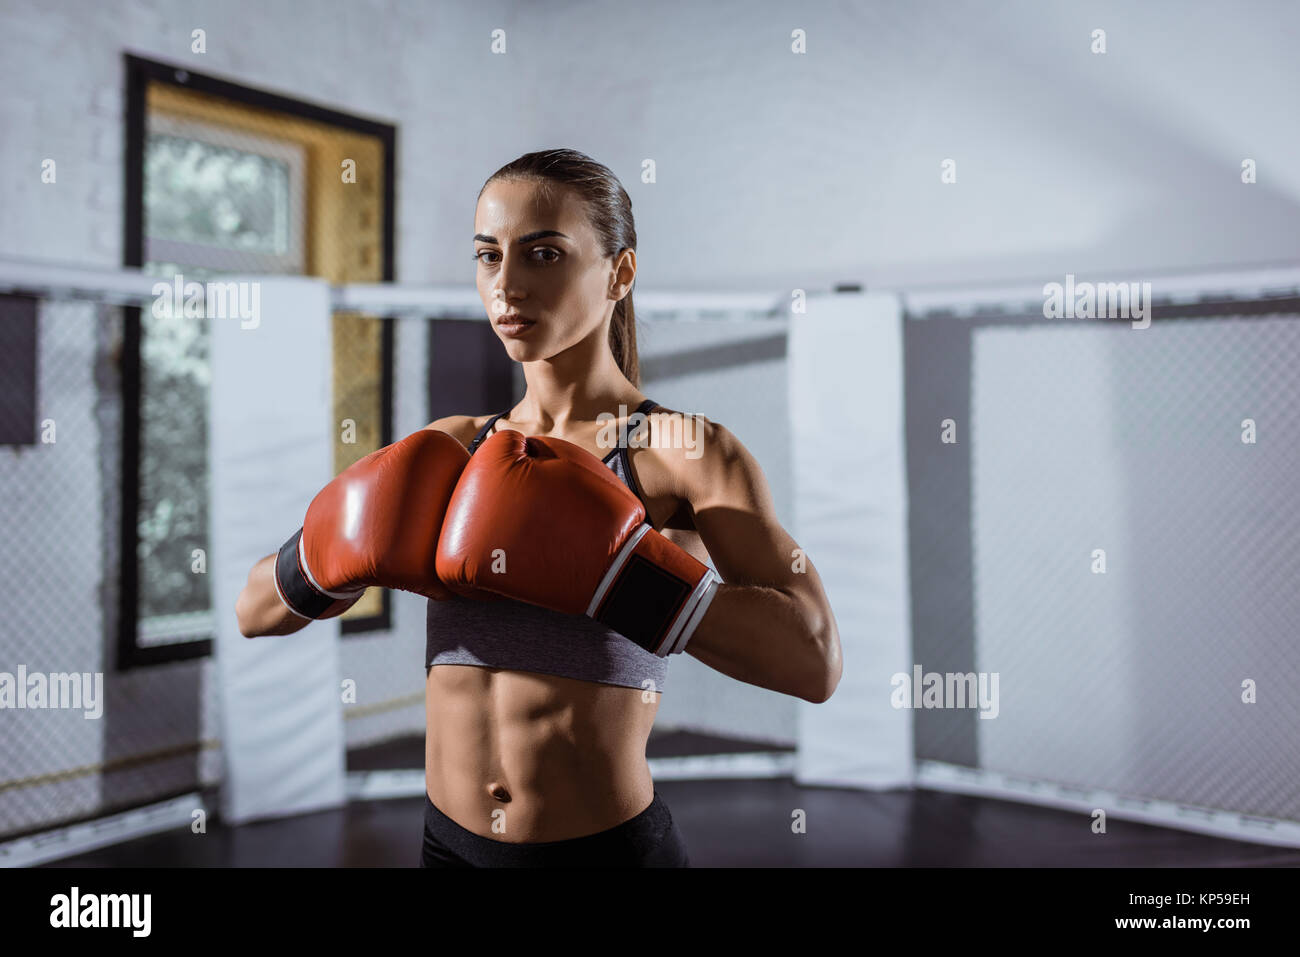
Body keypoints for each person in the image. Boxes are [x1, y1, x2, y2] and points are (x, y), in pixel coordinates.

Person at [235, 148, 842, 867]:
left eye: (544, 254)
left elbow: (814, 662)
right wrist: (330, 555)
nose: (508, 284)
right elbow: (253, 611)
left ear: (620, 271)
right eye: (488, 256)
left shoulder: (680, 449)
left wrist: (627, 575)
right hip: (448, 848)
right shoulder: (455, 446)